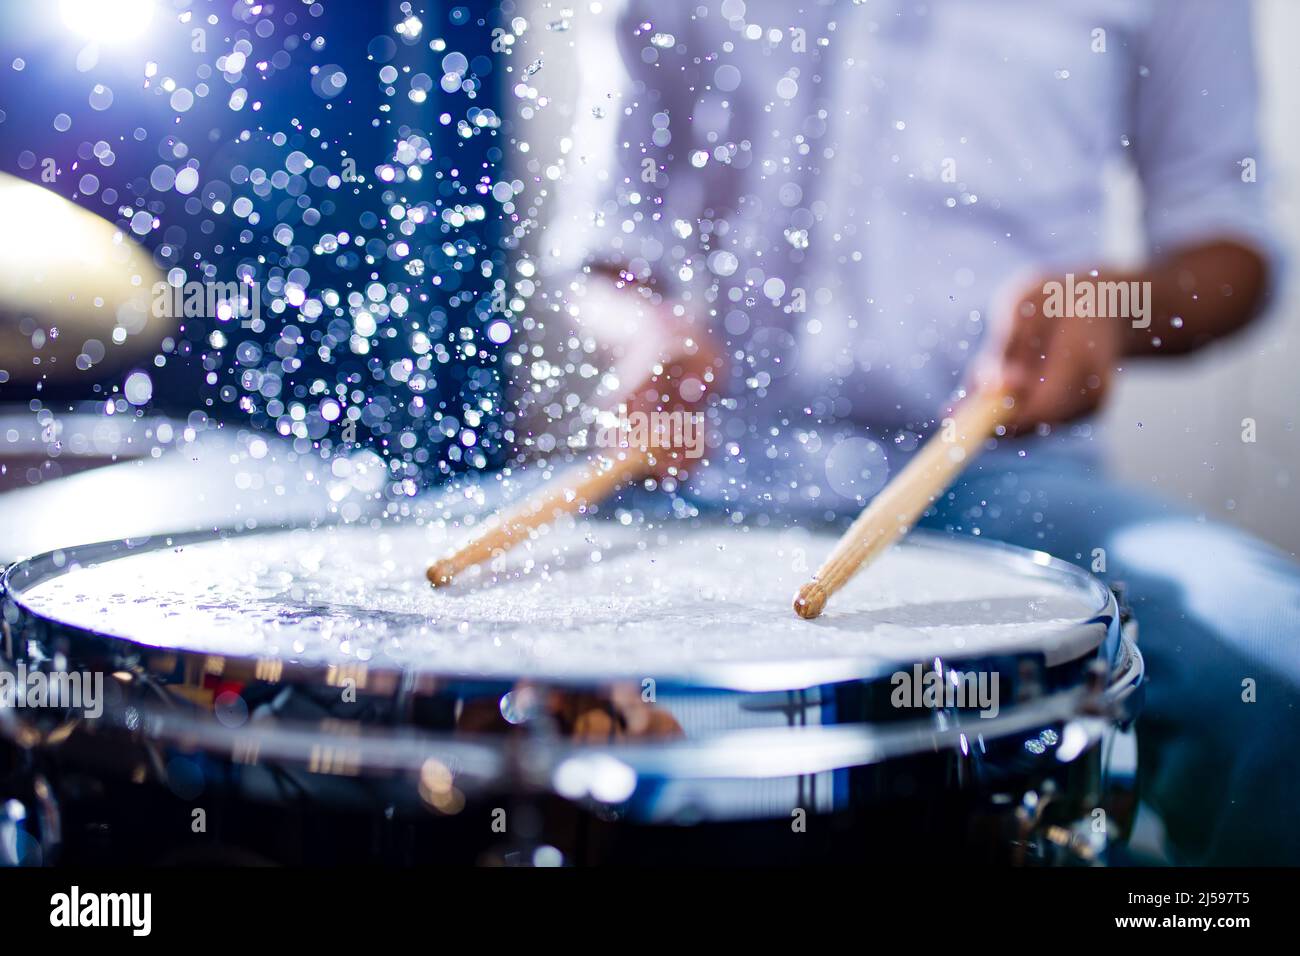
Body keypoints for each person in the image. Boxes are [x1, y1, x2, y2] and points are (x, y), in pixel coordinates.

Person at [541, 0, 1296, 863]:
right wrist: (645, 330)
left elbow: (1231, 253)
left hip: (1010, 477)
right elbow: (606, 251)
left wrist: (1106, 307)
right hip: (711, 470)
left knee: (1279, 665)